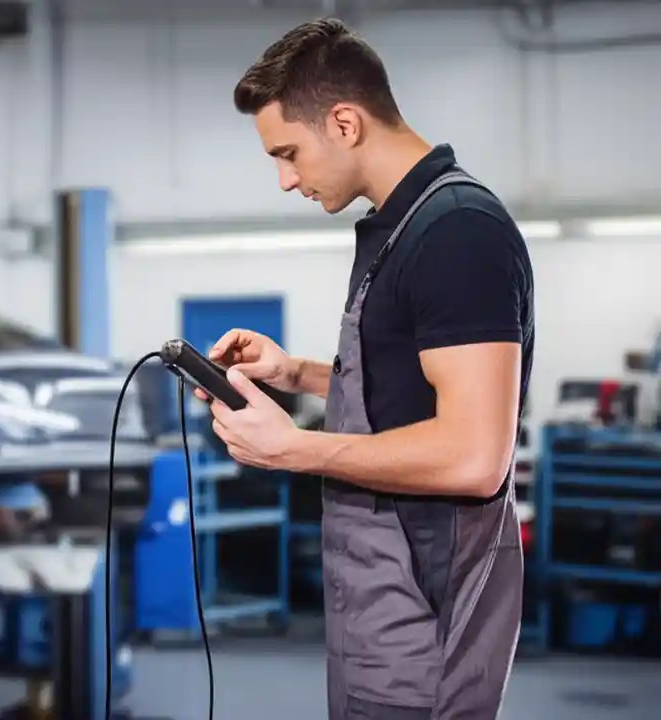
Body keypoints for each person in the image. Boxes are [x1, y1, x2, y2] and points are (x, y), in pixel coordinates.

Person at [196, 18, 535, 720]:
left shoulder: (456, 232)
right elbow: (416, 383)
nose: (286, 180)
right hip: (383, 601)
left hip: (424, 613)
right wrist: (301, 374)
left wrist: (294, 448)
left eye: (288, 153)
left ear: (345, 122)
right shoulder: (405, 226)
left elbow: (476, 457)